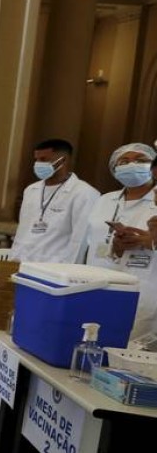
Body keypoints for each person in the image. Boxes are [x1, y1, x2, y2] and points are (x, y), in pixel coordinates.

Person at [79, 142, 157, 341]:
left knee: (133, 342)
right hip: (100, 282)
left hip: (145, 288)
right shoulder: (105, 200)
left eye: (140, 160)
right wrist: (117, 248)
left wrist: (148, 242)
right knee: (94, 339)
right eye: (124, 161)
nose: (132, 165)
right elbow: (94, 242)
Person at [9, 138, 99, 263]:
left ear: (62, 160)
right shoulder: (31, 190)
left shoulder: (84, 193)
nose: (38, 164)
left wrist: (66, 270)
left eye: (43, 159)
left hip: (54, 266)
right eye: (36, 160)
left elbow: (80, 239)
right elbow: (22, 230)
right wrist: (13, 259)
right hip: (23, 262)